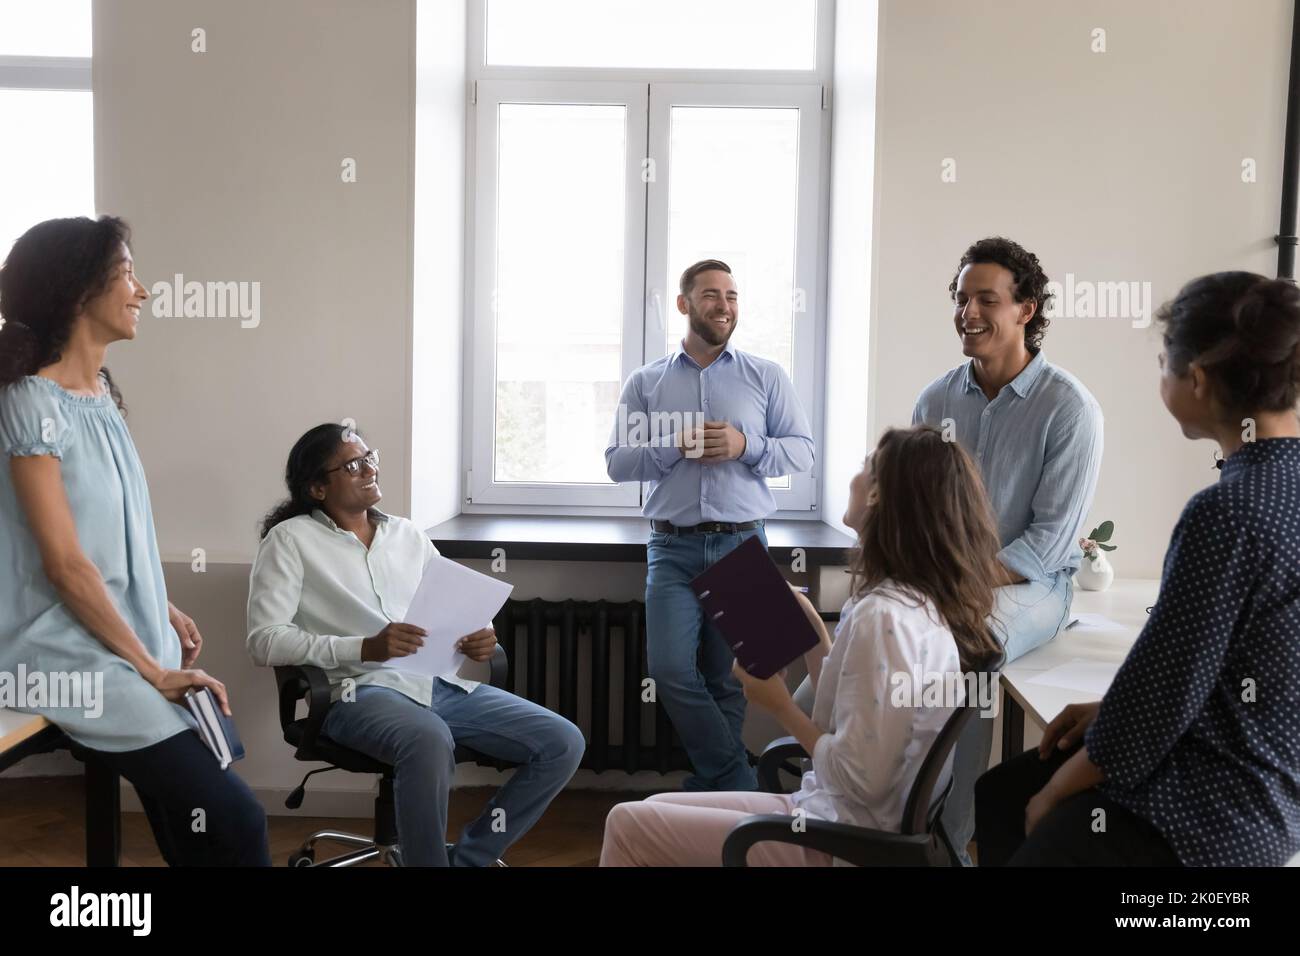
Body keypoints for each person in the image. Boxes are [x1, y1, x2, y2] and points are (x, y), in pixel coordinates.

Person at [976, 271, 1300, 867]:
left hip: (1203, 815)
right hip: (1274, 795)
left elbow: (1160, 702)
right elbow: (1224, 669)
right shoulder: (1272, 491)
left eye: (1162, 362)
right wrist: (1107, 713)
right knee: (999, 792)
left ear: (1196, 378)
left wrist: (1055, 794)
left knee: (1023, 803)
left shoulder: (1226, 512)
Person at [599, 426, 1004, 866]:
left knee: (626, 822)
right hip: (834, 815)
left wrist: (779, 706)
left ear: (878, 497)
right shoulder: (910, 602)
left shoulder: (882, 618)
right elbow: (861, 713)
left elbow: (859, 779)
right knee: (652, 809)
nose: (854, 477)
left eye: (865, 468)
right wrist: (815, 632)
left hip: (839, 841)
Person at [0, 216, 269, 866]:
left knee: (201, 832)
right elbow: (64, 565)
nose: (143, 290)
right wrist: (153, 669)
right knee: (236, 821)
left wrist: (161, 608)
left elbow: (113, 539)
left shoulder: (102, 399)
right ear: (76, 292)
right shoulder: (30, 403)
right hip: (62, 655)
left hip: (120, 643)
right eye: (125, 274)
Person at [246, 424, 586, 866]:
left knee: (562, 741)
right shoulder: (289, 542)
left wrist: (480, 633)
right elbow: (264, 641)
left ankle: (468, 859)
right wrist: (363, 648)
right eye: (353, 464)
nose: (369, 468)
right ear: (317, 487)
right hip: (356, 692)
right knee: (428, 738)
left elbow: (452, 596)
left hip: (436, 685)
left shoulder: (406, 534)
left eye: (370, 457)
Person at [911, 236, 1103, 862]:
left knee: (972, 645)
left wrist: (953, 591)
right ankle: (852, 797)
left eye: (985, 299)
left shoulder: (1069, 408)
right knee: (883, 635)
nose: (968, 312)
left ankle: (952, 841)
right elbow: (919, 509)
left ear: (1027, 309)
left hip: (1033, 587)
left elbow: (1046, 544)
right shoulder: (936, 401)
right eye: (961, 298)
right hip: (947, 584)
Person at [604, 259, 814, 792]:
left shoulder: (767, 376)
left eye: (733, 296)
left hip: (743, 543)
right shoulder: (645, 381)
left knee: (734, 678)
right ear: (684, 304)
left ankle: (719, 794)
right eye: (711, 295)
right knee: (671, 672)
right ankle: (738, 781)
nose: (724, 305)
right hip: (671, 547)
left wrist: (747, 447)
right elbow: (617, 464)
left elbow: (803, 454)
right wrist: (672, 448)